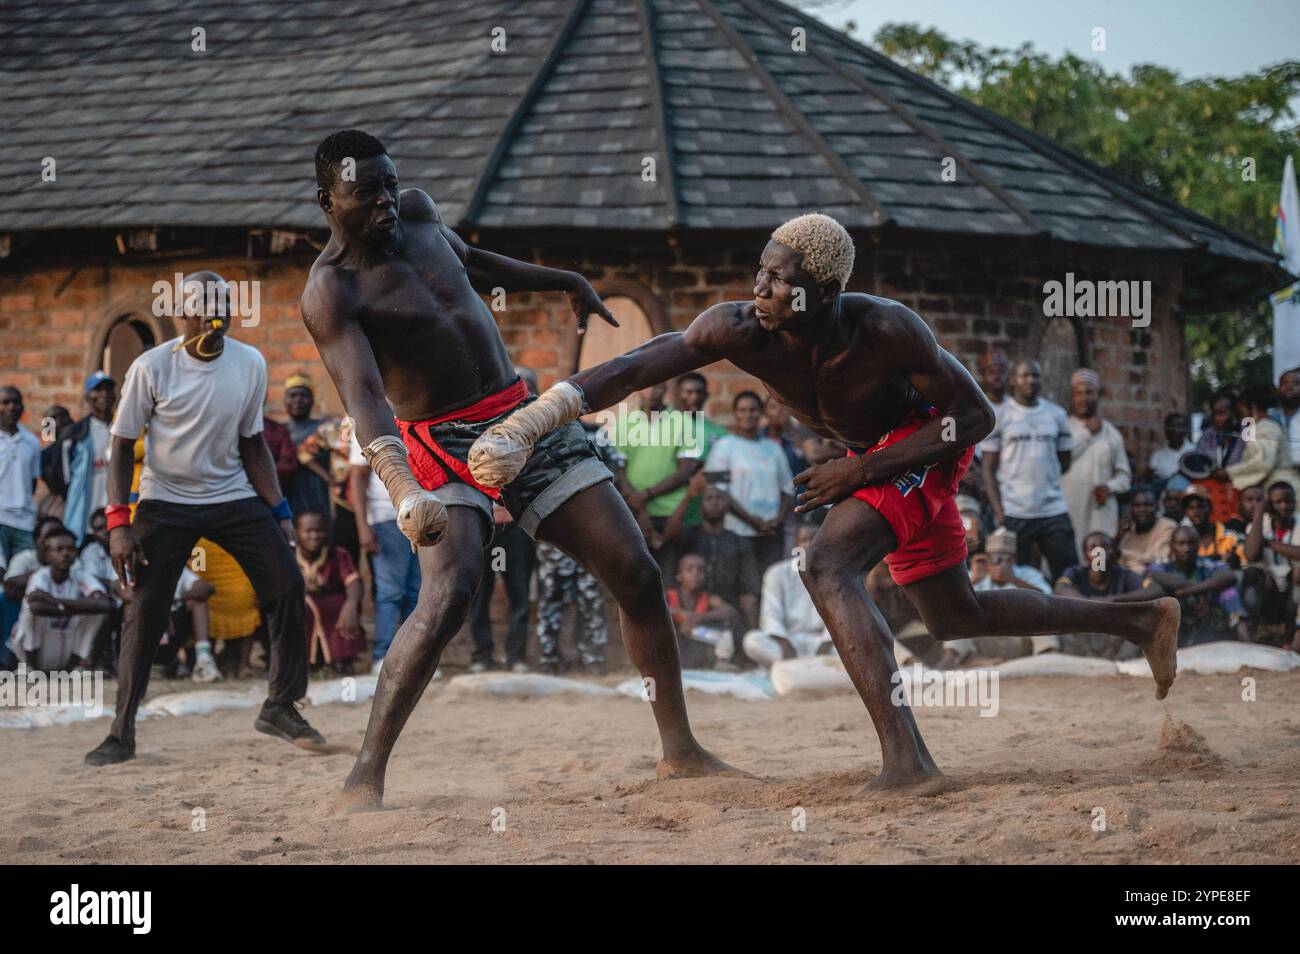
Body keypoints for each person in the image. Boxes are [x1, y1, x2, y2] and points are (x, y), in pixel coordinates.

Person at [470, 211, 1180, 792]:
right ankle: (1142, 619)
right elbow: (634, 365)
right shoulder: (738, 329)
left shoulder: (887, 329)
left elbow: (973, 420)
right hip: (877, 462)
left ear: (825, 291)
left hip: (923, 447)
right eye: (760, 273)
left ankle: (909, 764)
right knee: (956, 614)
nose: (761, 290)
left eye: (780, 281)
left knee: (826, 565)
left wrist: (862, 467)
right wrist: (534, 419)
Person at [301, 129, 735, 811]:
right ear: (328, 200)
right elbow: (364, 398)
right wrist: (402, 485)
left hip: (520, 417)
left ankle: (680, 750)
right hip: (433, 441)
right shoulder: (330, 292)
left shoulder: (416, 211)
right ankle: (366, 771)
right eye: (367, 193)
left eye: (389, 182)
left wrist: (561, 279)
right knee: (450, 595)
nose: (385, 199)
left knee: (635, 569)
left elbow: (472, 260)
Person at [84, 271, 322, 766]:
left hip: (232, 495)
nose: (216, 312)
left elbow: (252, 442)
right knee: (144, 608)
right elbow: (122, 444)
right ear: (181, 313)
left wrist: (279, 512)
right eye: (203, 304)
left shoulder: (250, 362)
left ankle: (281, 705)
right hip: (164, 501)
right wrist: (119, 523)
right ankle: (121, 730)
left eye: (223, 303)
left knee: (286, 586)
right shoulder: (152, 367)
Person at [981, 360, 1078, 580]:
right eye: (1025, 376)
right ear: (1013, 380)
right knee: (1017, 577)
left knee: (1068, 573)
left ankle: (1067, 613)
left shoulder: (1056, 414)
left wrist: (1044, 480)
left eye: (1035, 376)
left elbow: (1065, 460)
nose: (1031, 381)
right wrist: (998, 509)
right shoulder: (1001, 415)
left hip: (1052, 509)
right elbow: (988, 469)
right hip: (1015, 512)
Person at [348, 431, 417, 669]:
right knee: (390, 592)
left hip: (424, 516)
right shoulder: (369, 419)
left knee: (417, 593)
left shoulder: (424, 412)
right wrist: (362, 525)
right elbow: (358, 477)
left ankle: (414, 660)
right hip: (387, 517)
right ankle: (383, 658)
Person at [704, 391, 795, 571]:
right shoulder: (724, 447)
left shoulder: (773, 448)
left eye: (753, 410)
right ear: (735, 413)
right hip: (737, 531)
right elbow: (718, 492)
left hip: (771, 532)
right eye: (742, 410)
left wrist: (777, 520)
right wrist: (753, 521)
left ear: (761, 413)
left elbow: (787, 489)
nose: (748, 415)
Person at [663, 471, 762, 629]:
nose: (715, 502)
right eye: (709, 498)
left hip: (725, 615)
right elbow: (668, 534)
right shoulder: (689, 535)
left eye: (720, 498)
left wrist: (752, 633)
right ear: (700, 505)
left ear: (728, 505)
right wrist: (688, 497)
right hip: (686, 614)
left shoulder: (739, 542)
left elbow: (748, 593)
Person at [6, 525, 112, 670]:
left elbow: (104, 605)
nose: (66, 554)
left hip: (66, 651)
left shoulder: (81, 576)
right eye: (59, 549)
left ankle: (73, 667)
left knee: (97, 614)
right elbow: (36, 607)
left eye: (70, 549)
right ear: (47, 554)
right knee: (29, 609)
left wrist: (54, 601)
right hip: (39, 650)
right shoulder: (40, 576)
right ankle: (30, 667)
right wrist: (79, 608)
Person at [742, 520, 833, 666]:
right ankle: (810, 667)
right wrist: (785, 644)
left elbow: (837, 618)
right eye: (804, 540)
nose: (809, 545)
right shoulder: (777, 573)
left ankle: (796, 667)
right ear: (795, 545)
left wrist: (825, 644)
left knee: (854, 645)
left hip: (821, 643)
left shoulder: (834, 576)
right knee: (752, 640)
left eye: (815, 540)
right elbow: (771, 615)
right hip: (787, 641)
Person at [40, 371, 117, 545]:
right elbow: (53, 470)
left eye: (62, 418)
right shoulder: (71, 436)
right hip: (84, 517)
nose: (104, 394)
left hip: (116, 514)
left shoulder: (122, 428)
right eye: (53, 419)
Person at [1061, 368, 1131, 554]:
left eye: (1089, 392)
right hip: (1068, 509)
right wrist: (1088, 434)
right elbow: (1060, 462)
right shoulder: (1063, 428)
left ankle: (1098, 580)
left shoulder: (1110, 433)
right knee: (1070, 557)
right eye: (1079, 393)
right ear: (1073, 396)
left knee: (1098, 558)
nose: (1084, 398)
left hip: (1100, 512)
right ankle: (1068, 584)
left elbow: (1125, 476)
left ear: (1097, 395)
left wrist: (1110, 487)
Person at [1052, 531, 1149, 658]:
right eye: (1093, 548)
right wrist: (1089, 603)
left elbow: (1151, 591)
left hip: (1117, 638)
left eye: (1104, 547)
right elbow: (1060, 588)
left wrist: (1112, 601)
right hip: (1084, 636)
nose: (1099, 553)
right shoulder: (1074, 572)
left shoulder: (1125, 575)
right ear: (1085, 555)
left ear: (1113, 551)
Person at [1144, 526, 1245, 645]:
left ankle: (1246, 642)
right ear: (1172, 545)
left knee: (1229, 592)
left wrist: (1191, 591)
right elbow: (1159, 576)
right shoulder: (1162, 566)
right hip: (1174, 623)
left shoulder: (1206, 563)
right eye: (1181, 544)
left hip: (1206, 620)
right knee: (1161, 593)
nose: (1186, 549)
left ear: (1198, 545)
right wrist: (1197, 592)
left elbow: (1229, 576)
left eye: (1191, 544)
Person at [296, 510, 365, 672]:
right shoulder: (288, 554)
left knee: (340, 605)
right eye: (308, 531)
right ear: (297, 532)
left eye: (319, 531)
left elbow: (353, 581)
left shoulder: (337, 553)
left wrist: (351, 604)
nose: (314, 536)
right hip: (302, 604)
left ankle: (342, 661)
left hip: (331, 605)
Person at [282, 373, 345, 540]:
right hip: (288, 495)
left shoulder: (323, 428)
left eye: (303, 395)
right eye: (292, 395)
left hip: (319, 494)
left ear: (312, 400)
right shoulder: (278, 431)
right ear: (285, 399)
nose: (298, 400)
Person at [1241, 481, 1300, 650]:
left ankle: (1292, 634)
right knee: (1251, 573)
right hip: (1269, 587)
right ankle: (1254, 630)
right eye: (1278, 502)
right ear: (1269, 504)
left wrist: (1269, 543)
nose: (1284, 506)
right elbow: (1251, 554)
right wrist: (1259, 512)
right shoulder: (1259, 525)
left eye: (1288, 501)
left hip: (1293, 587)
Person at [666, 552, 743, 668]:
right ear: (679, 576)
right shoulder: (668, 596)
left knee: (725, 627)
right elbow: (651, 610)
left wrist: (700, 618)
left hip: (696, 645)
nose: (695, 573)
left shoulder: (708, 597)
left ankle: (721, 661)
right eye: (689, 569)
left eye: (700, 570)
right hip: (672, 645)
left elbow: (730, 611)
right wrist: (681, 614)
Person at [1230, 387, 1300, 497]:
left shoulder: (1265, 427)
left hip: (1283, 490)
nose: (1241, 418)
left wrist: (1229, 473)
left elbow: (1262, 463)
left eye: (1242, 412)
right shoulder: (1264, 426)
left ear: (1254, 408)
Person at [0, 386, 42, 565]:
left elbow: (32, 482)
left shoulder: (31, 441)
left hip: (24, 522)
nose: (12, 407)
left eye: (16, 402)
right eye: (5, 402)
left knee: (22, 577)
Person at [1195, 388, 1243, 524]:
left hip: (1239, 483)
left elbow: (1251, 460)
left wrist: (1228, 472)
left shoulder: (1246, 430)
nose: (1218, 418)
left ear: (1234, 412)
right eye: (1215, 414)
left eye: (1222, 413)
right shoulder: (1208, 434)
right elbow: (1199, 460)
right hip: (1213, 484)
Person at [1116, 488, 1178, 575]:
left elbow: (1157, 560)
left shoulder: (1167, 526)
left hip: (1155, 580)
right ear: (1130, 509)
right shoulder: (1128, 531)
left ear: (1157, 507)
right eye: (1137, 506)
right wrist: (1120, 534)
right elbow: (1116, 560)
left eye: (1148, 505)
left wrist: (1125, 556)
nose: (1142, 510)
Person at [1181, 483, 1242, 565]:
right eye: (1191, 508)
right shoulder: (1183, 541)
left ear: (1210, 507)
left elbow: (1247, 563)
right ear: (1186, 512)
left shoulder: (1230, 536)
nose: (1195, 512)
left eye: (1200, 506)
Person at [1145, 412, 1194, 488]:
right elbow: (1152, 480)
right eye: (1171, 427)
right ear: (1165, 431)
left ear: (1185, 430)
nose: (1174, 430)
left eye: (1178, 426)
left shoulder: (1194, 451)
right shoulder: (1157, 456)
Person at [1270, 367, 1300, 463]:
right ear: (1278, 388)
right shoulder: (1268, 416)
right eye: (1284, 383)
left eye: (1295, 383)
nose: (1289, 387)